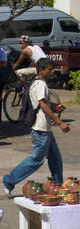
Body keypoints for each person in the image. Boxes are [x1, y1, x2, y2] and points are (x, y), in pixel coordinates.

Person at [3, 57, 70, 195]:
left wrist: (55, 107)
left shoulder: (37, 83)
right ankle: (9, 180)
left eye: (52, 69)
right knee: (37, 159)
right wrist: (59, 122)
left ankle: (58, 187)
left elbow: (44, 103)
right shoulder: (41, 85)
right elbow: (43, 105)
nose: (52, 72)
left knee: (55, 159)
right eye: (49, 70)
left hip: (45, 129)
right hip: (40, 130)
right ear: (41, 70)